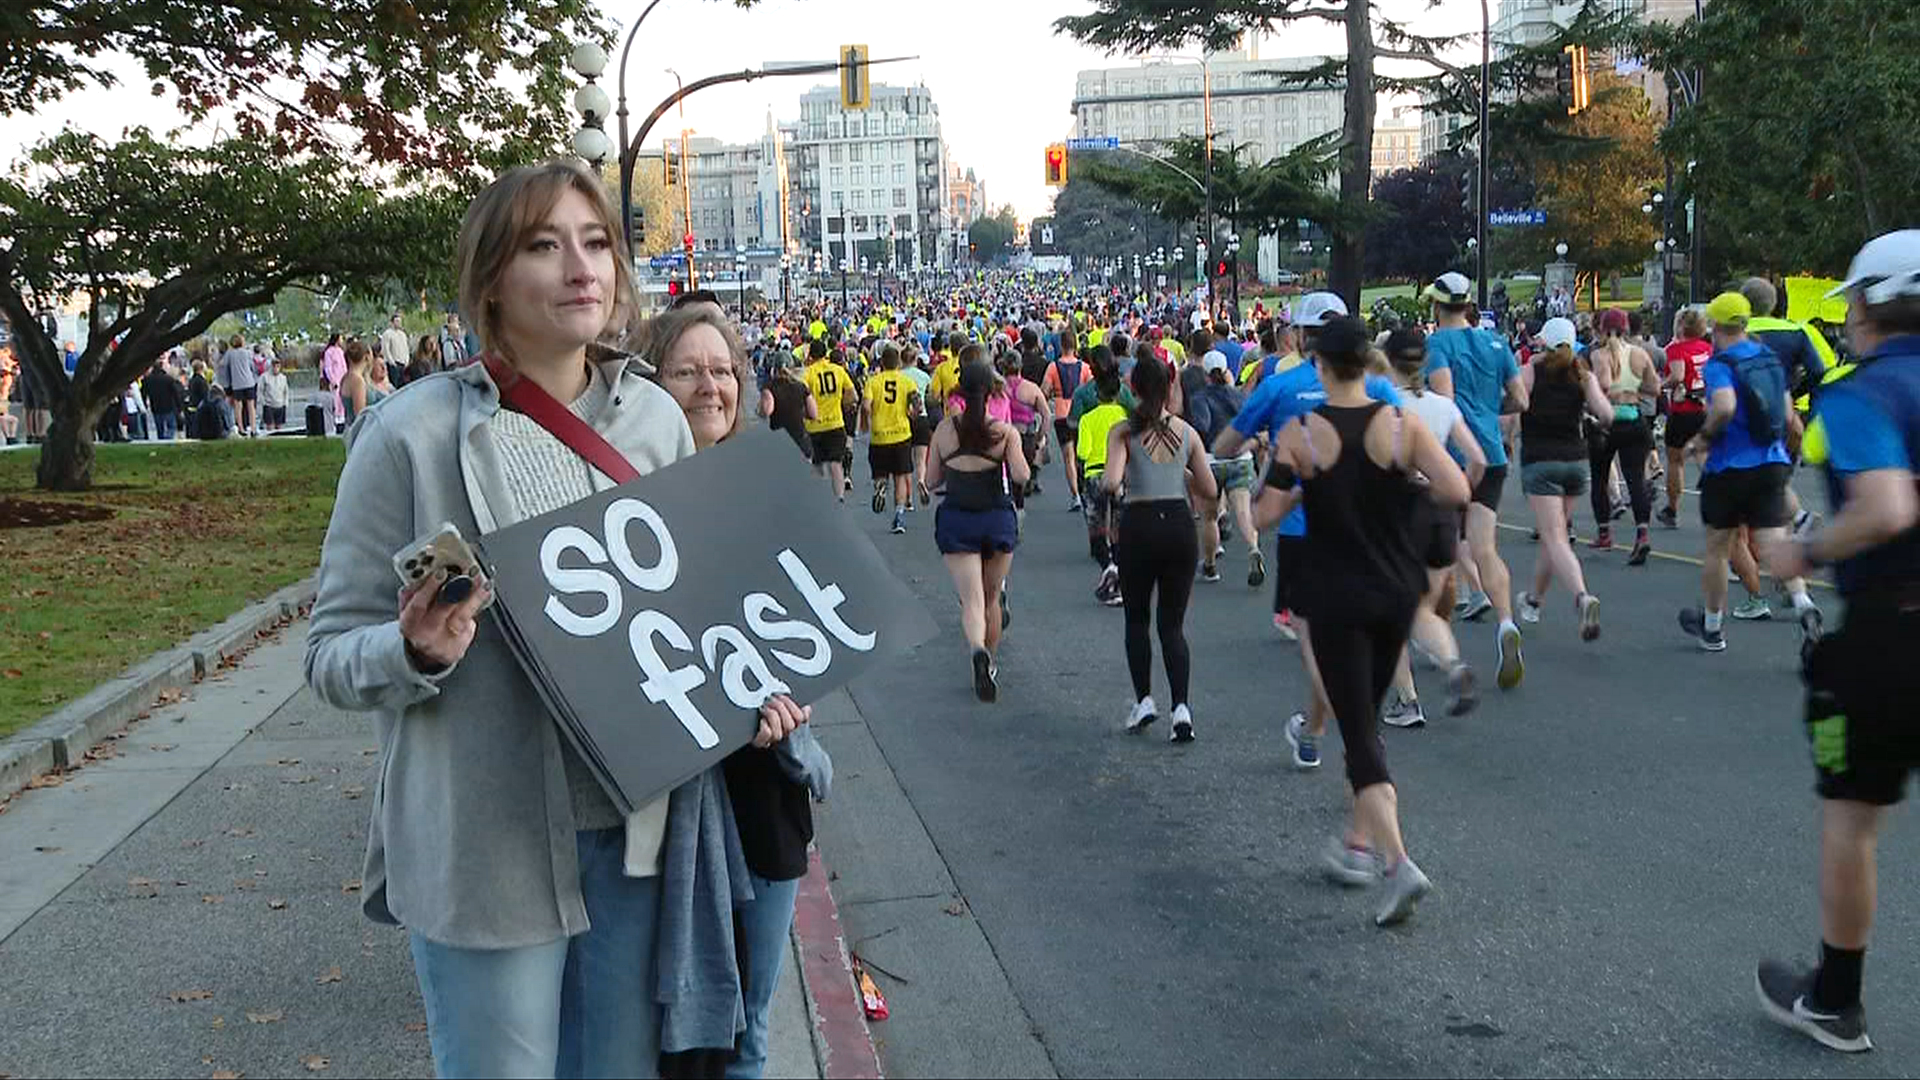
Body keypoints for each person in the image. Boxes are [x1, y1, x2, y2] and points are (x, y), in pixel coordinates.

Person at [307, 159, 808, 1079]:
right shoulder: (407, 437)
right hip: (484, 850)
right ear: (492, 279)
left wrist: (757, 691)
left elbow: (694, 617)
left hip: (636, 842)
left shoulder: (654, 421)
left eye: (596, 244)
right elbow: (330, 653)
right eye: (545, 246)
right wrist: (412, 649)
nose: (581, 267)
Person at [644, 302, 829, 1080]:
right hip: (663, 802)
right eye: (687, 370)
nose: (707, 386)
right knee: (675, 1033)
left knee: (750, 1024)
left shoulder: (769, 493)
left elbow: (810, 627)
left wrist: (796, 703)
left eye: (721, 369)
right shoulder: (620, 505)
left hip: (763, 793)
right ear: (652, 382)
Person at [1754, 230, 1920, 1054]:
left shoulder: (1864, 393)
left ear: (1867, 307)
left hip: (1895, 626)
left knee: (1853, 818)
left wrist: (1806, 550)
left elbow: (1888, 508)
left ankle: (1835, 1000)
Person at [1263, 315, 1470, 926]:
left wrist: (1305, 490)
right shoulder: (1401, 425)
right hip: (1396, 590)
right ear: (1367, 365)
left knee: (1358, 736)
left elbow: (1265, 511)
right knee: (1366, 720)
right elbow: (1457, 486)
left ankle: (1398, 863)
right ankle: (1358, 844)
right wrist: (1401, 485)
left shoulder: (1302, 433)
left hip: (1336, 598)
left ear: (1320, 366)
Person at [1676, 292, 1821, 653]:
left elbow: (1724, 406)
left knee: (1718, 548)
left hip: (1729, 465)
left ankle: (1712, 628)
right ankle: (1804, 604)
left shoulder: (1720, 364)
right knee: (1775, 541)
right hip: (1770, 461)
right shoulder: (1770, 359)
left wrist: (1702, 438)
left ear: (1715, 326)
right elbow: (1789, 416)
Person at [1421, 272, 1529, 690]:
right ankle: (1505, 623)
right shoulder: (1497, 342)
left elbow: (1445, 401)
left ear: (1436, 306)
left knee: (1442, 554)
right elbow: (1521, 399)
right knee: (1485, 548)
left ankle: (1432, 635)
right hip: (1493, 454)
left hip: (1454, 456)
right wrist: (1488, 409)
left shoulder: (1437, 345)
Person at [1104, 352, 1217, 742]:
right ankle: (1181, 708)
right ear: (1170, 388)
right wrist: (1178, 469)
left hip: (1139, 524)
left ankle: (1144, 700)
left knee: (1137, 618)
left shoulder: (1123, 432)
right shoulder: (1187, 433)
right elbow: (1209, 489)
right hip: (1179, 526)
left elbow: (1110, 481)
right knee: (1172, 624)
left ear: (1132, 389)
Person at [1382, 327, 1485, 725]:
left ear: (1387, 362)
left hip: (1400, 513)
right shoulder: (1444, 407)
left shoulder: (1386, 408)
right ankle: (1453, 665)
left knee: (1393, 611)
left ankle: (1407, 700)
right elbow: (1477, 459)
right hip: (1443, 513)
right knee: (1421, 608)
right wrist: (1455, 489)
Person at [926, 359, 1030, 701]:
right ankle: (992, 658)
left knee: (970, 600)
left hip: (958, 517)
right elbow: (1021, 476)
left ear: (959, 391)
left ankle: (976, 651)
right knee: (991, 597)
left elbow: (932, 480)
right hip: (996, 517)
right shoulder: (1003, 432)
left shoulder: (944, 430)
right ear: (991, 392)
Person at [1514, 317, 1614, 641]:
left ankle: (1582, 597)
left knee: (1555, 537)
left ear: (1543, 340)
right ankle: (1533, 601)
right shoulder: (1581, 372)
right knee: (1554, 537)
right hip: (1575, 461)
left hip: (1541, 461)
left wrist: (1508, 432)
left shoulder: (1532, 369)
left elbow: (1517, 404)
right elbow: (1607, 413)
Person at [1585, 308, 1660, 563]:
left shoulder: (1599, 354)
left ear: (1603, 330)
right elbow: (1655, 387)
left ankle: (1604, 532)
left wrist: (1595, 391)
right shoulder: (1639, 354)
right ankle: (1642, 535)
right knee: (1635, 479)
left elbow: (1604, 383)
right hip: (1633, 417)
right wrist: (1633, 387)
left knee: (1600, 477)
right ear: (1626, 328)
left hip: (1606, 422)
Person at [1186, 350, 1263, 587]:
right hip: (1240, 457)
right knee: (1243, 510)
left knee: (1208, 517)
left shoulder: (1199, 398)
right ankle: (1253, 548)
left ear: (1205, 374)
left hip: (1210, 461)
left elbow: (1201, 425)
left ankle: (1209, 565)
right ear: (1226, 370)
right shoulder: (1237, 396)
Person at [1077, 350, 1130, 606]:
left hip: (1094, 475)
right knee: (1119, 527)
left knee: (1097, 528)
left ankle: (1107, 566)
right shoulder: (1124, 417)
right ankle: (1118, 571)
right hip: (1119, 473)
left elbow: (1082, 451)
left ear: (1097, 395)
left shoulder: (1088, 419)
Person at [1659, 307, 1713, 526]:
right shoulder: (1707, 348)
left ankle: (1672, 509)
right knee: (1703, 451)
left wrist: (1660, 386)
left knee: (1675, 460)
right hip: (1704, 406)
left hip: (1683, 410)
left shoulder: (1677, 349)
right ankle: (1715, 483)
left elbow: (1678, 376)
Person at [861, 342, 922, 534]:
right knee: (900, 477)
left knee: (880, 472)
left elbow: (865, 405)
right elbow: (917, 406)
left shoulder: (873, 382)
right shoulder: (907, 382)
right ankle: (898, 516)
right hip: (901, 435)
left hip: (879, 435)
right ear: (898, 364)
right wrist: (911, 414)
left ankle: (880, 486)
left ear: (881, 363)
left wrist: (867, 420)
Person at [801, 339, 854, 503]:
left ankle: (819, 499)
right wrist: (843, 404)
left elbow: (801, 396)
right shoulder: (838, 370)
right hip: (835, 423)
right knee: (835, 463)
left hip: (814, 426)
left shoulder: (807, 373)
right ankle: (839, 497)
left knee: (817, 464)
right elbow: (852, 394)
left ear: (811, 355)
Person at [758, 354, 817, 459]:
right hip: (801, 440)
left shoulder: (770, 387)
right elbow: (813, 414)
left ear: (774, 368)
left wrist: (760, 410)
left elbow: (767, 411)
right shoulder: (801, 386)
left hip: (779, 441)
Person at [217, 332, 260, 436]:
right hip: (249, 382)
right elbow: (253, 366)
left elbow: (223, 365)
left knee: (238, 406)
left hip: (237, 384)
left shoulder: (230, 354)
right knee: (251, 406)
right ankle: (253, 428)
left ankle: (241, 428)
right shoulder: (247, 353)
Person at [321, 333, 348, 434]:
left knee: (342, 402)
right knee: (335, 402)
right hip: (336, 381)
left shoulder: (340, 351)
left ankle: (342, 422)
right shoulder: (329, 352)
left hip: (343, 380)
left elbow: (344, 367)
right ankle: (335, 424)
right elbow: (328, 368)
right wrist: (333, 380)